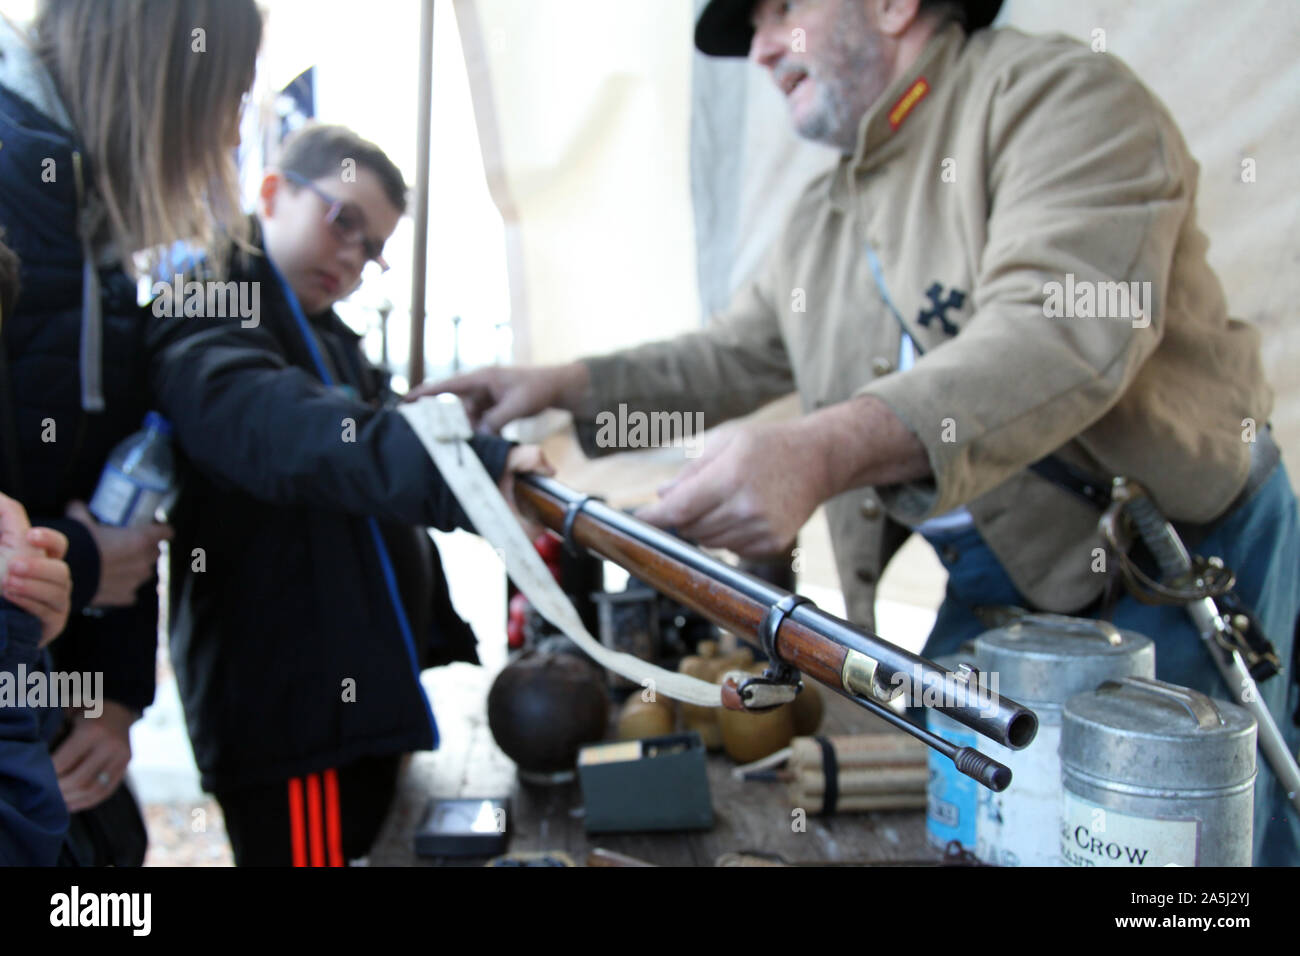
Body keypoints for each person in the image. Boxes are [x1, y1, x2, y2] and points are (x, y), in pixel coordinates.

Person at [411, 0, 1300, 865]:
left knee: (1200, 851)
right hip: (1000, 579)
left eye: (779, 9)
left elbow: (1061, 330)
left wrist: (823, 449)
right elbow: (727, 359)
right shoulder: (825, 216)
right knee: (975, 826)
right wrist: (559, 387)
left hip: (1172, 557)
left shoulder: (1064, 100)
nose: (760, 49)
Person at [146, 123, 549, 866]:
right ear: (272, 191)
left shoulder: (327, 333)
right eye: (344, 221)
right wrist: (461, 469)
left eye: (373, 249)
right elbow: (292, 430)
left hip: (357, 711)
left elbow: (367, 434)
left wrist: (453, 424)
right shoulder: (208, 303)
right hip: (294, 721)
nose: (354, 257)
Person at [0, 0, 262, 861]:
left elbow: (125, 479)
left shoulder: (96, 234)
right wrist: (77, 557)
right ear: (166, 76)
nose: (228, 132)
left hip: (62, 721)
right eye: (229, 93)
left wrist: (113, 698)